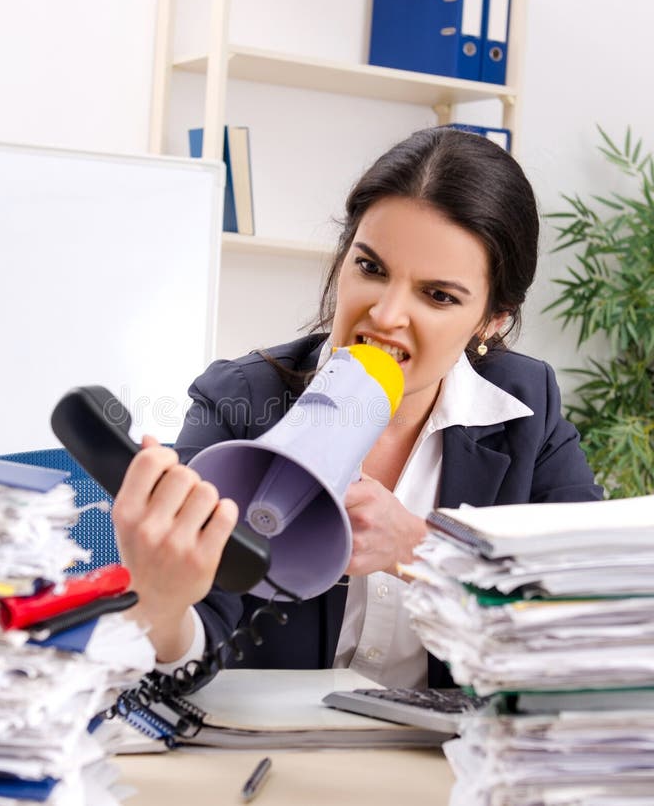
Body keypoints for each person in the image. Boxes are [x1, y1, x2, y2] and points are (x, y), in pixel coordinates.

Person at [112, 127, 603, 690]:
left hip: (450, 765)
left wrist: (425, 549)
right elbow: (192, 645)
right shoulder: (239, 400)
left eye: (438, 295)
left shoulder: (526, 409)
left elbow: (585, 610)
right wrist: (165, 605)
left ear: (492, 320)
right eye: (371, 268)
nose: (387, 314)